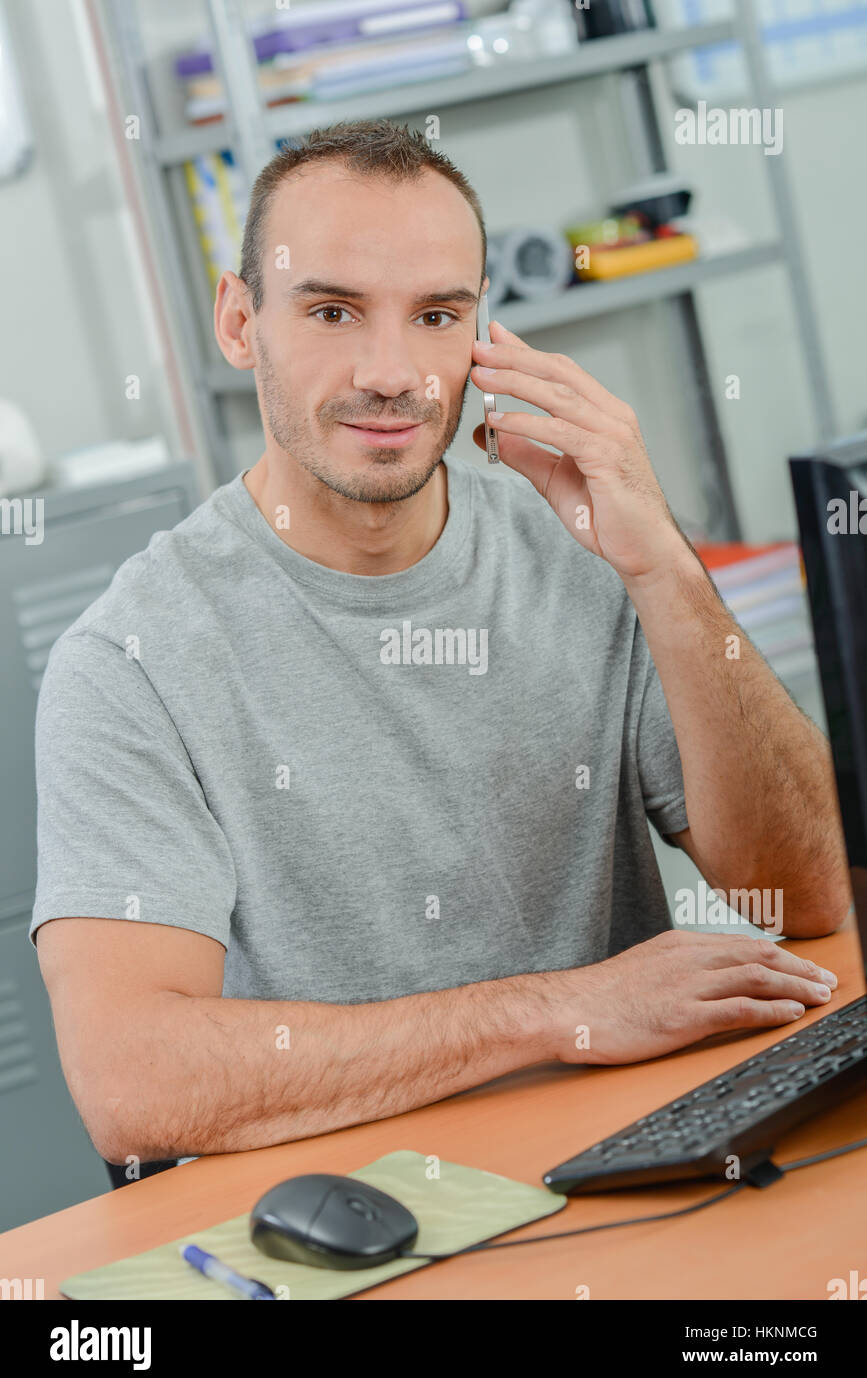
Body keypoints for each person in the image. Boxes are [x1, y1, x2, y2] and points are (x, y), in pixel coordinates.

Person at [32, 120, 850, 1166]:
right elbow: (134, 1080)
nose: (391, 371)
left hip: (629, 1160)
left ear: (482, 333)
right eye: (332, 310)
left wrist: (667, 575)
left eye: (435, 315)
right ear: (241, 323)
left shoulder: (583, 551)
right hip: (346, 1213)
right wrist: (559, 1011)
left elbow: (810, 890)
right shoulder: (130, 659)